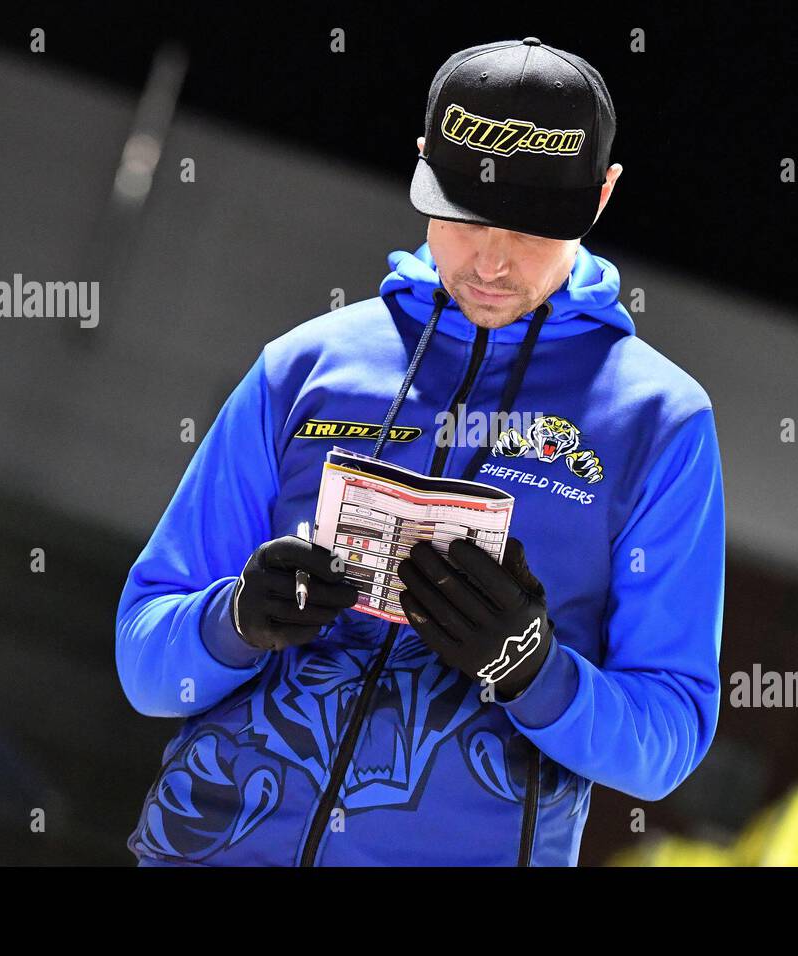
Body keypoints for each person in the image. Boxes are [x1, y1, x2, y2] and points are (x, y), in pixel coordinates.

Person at [115, 36, 725, 867]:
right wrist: (233, 621)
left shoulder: (660, 421)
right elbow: (147, 667)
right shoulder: (305, 365)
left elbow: (668, 742)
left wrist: (532, 671)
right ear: (422, 167)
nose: (493, 261)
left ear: (604, 195)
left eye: (535, 226)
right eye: (468, 214)